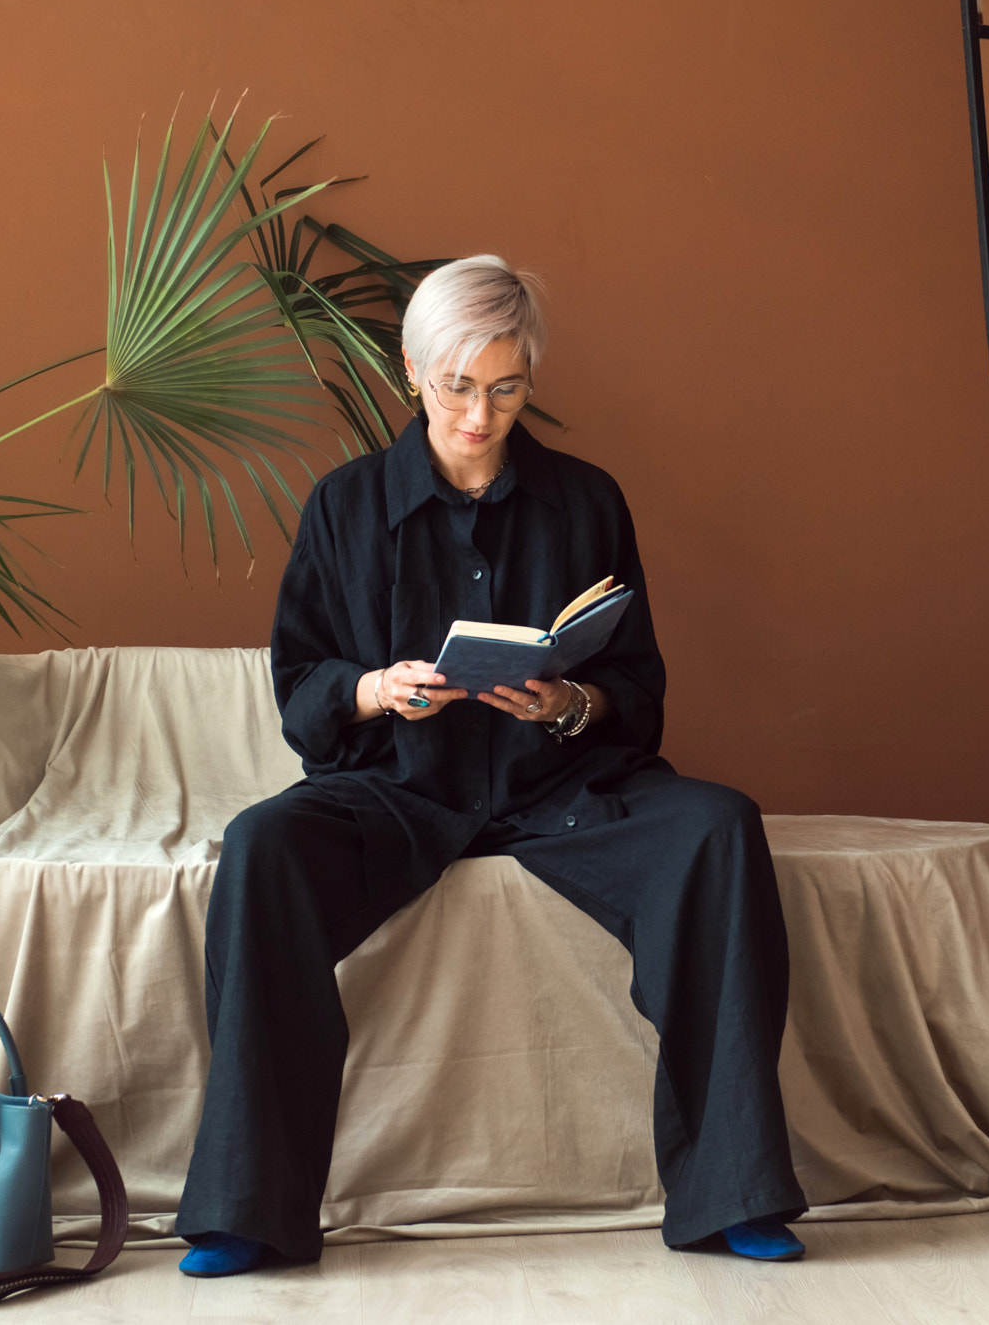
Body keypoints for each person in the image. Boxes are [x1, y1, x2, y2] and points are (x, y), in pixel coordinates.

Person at [174, 255, 806, 1276]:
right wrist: (375, 689)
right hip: (395, 791)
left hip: (557, 789)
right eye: (458, 385)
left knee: (718, 825)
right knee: (260, 848)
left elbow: (634, 684)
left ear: (530, 378)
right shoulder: (342, 506)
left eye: (506, 389)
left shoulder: (587, 501)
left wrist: (569, 702)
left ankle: (732, 1191)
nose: (480, 415)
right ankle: (251, 1209)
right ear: (411, 371)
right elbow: (301, 687)